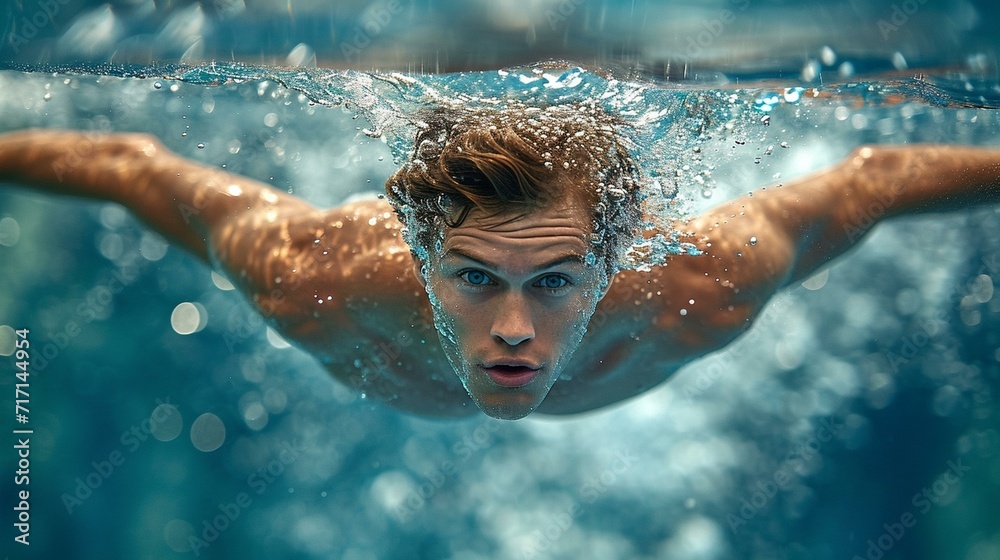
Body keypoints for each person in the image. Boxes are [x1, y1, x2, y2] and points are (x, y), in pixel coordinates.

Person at [1, 102, 998, 420]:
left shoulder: (704, 281)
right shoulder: (312, 275)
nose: (513, 327)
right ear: (417, 249)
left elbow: (882, 173)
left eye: (555, 278)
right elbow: (128, 162)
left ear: (617, 258)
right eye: (474, 275)